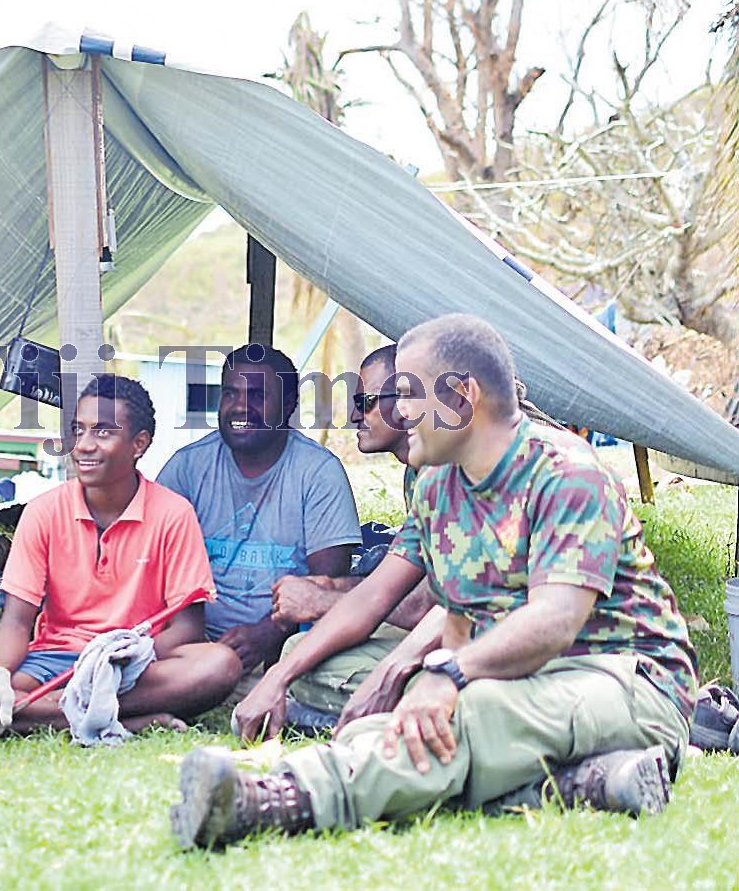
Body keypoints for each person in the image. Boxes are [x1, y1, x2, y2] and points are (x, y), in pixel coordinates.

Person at [170, 314, 698, 848]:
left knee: (470, 710)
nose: (399, 412)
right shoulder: (438, 486)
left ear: (461, 396)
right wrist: (310, 674)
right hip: (514, 673)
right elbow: (401, 602)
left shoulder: (566, 474)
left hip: (626, 678)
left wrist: (449, 673)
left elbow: (555, 619)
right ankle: (573, 785)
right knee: (393, 704)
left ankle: (274, 800)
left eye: (406, 393)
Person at [0, 376, 241, 737]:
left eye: (103, 432)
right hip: (52, 661)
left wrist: (120, 660)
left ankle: (51, 712)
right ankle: (123, 719)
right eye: (78, 430)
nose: (83, 445)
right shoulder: (43, 511)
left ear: (139, 444)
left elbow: (187, 628)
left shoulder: (173, 513)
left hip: (130, 666)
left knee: (219, 664)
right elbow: (17, 622)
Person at [156, 344, 362, 684]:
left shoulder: (318, 472)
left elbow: (327, 585)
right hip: (189, 644)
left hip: (284, 647)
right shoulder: (188, 466)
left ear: (289, 405)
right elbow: (145, 560)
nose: (240, 406)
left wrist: (269, 632)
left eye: (257, 395)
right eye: (230, 393)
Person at [274, 344, 440, 728]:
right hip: (445, 633)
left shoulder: (446, 470)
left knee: (307, 657)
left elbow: (425, 605)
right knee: (302, 648)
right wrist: (335, 586)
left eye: (365, 402)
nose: (353, 416)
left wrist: (323, 600)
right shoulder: (417, 474)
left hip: (481, 644)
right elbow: (407, 578)